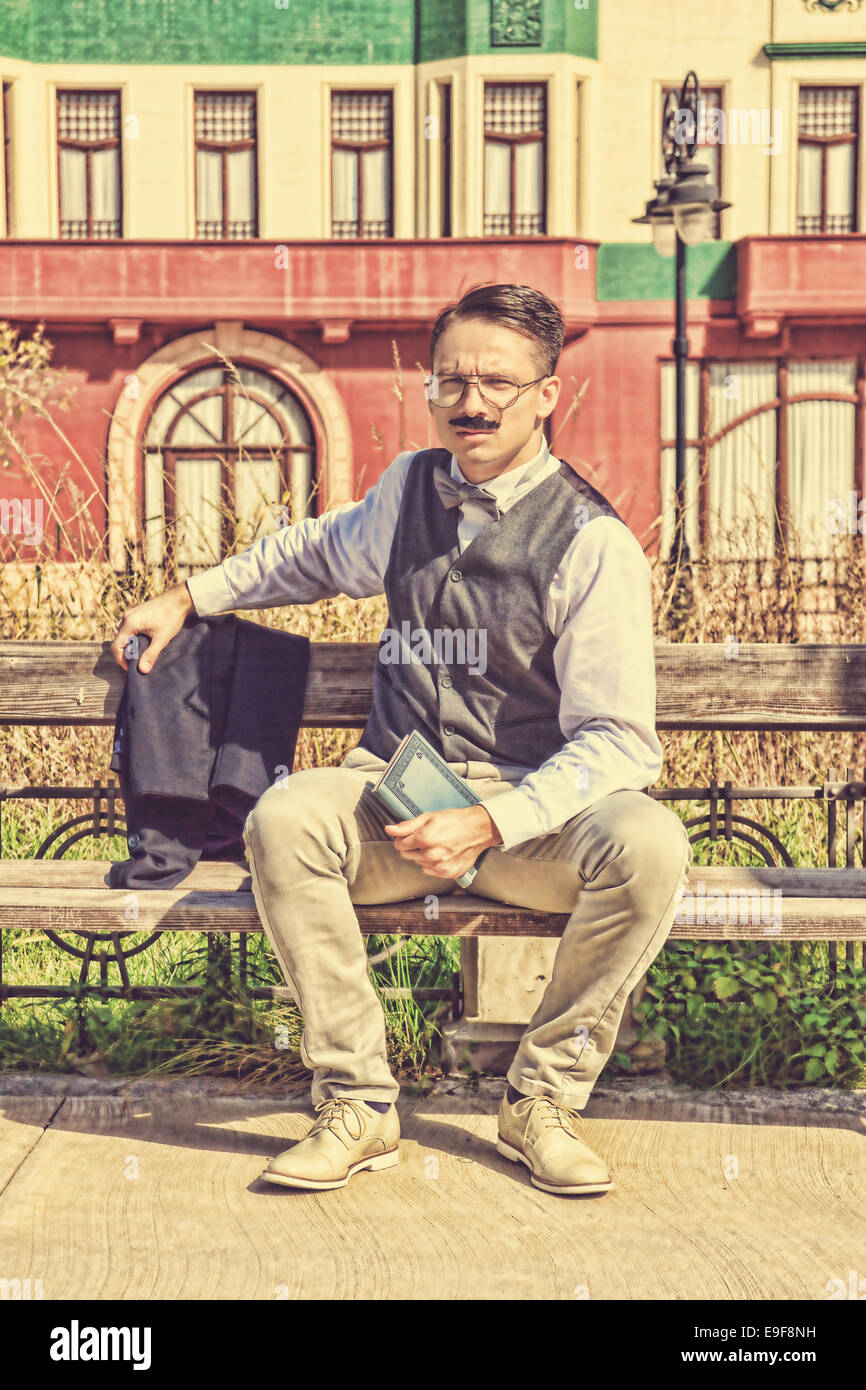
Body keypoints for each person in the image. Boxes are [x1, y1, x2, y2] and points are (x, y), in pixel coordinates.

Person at [111, 282, 692, 1198]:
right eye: (451, 378)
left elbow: (621, 743)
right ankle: (358, 1101)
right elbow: (308, 553)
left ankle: (541, 1099)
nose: (471, 401)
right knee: (287, 817)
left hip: (528, 824)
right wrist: (191, 596)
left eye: (498, 382)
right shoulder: (408, 489)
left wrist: (494, 820)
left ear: (547, 393)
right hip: (397, 801)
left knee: (651, 844)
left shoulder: (593, 543)